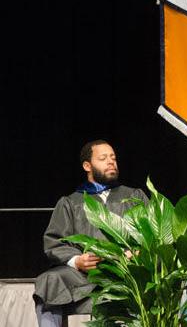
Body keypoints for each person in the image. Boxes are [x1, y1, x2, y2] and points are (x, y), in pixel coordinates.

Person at [33, 139, 149, 327]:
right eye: (103, 158)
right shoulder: (71, 203)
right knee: (49, 281)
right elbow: (55, 241)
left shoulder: (134, 196)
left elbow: (154, 233)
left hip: (129, 274)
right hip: (86, 277)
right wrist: (77, 260)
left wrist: (139, 252)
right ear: (87, 165)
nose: (111, 161)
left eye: (113, 157)